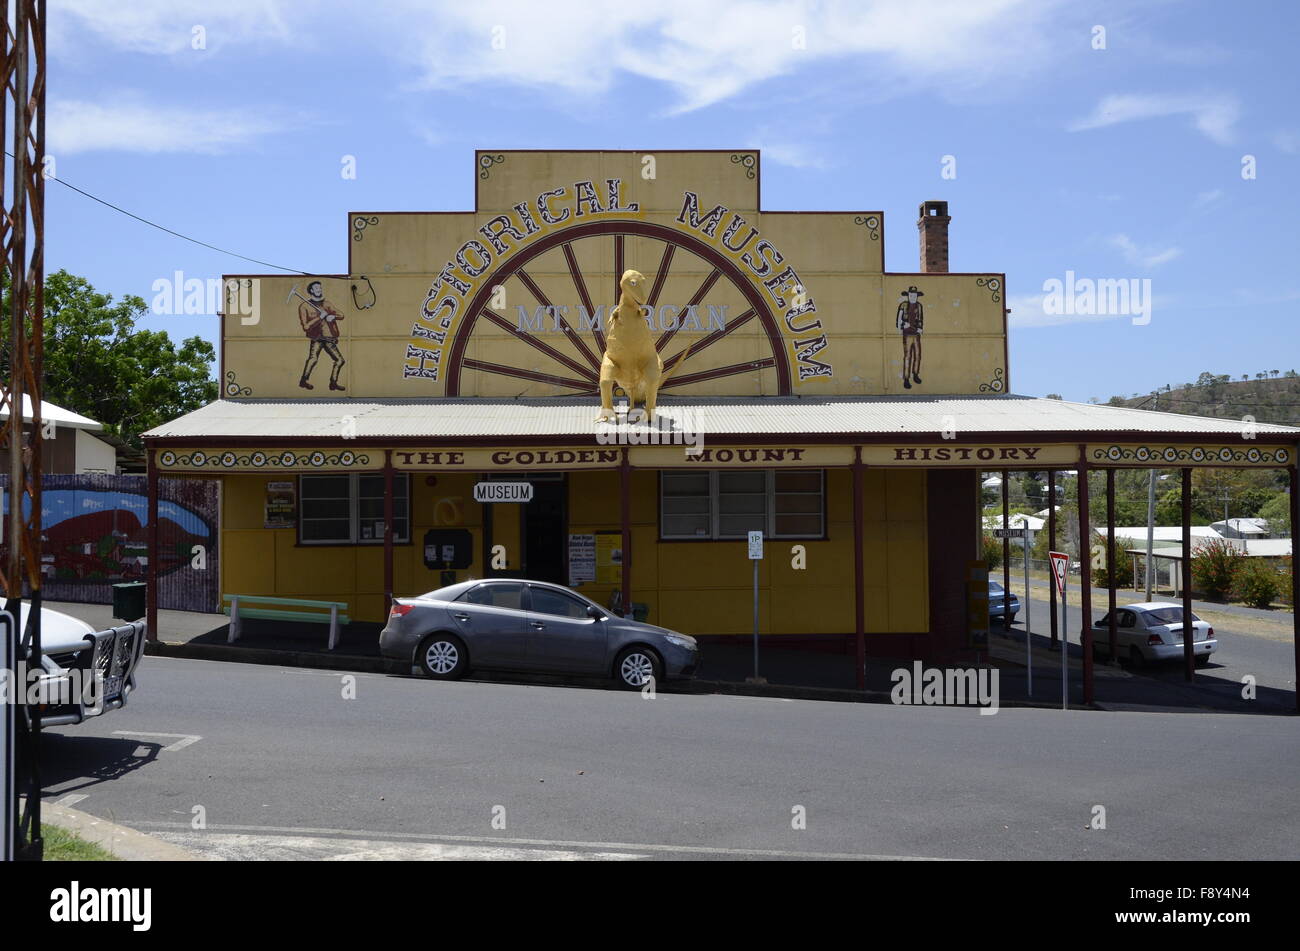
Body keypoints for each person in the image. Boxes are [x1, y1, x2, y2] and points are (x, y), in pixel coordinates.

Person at [298, 280, 347, 391]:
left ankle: (333, 383)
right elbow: (305, 326)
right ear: (311, 290)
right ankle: (303, 381)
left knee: (340, 360)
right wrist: (319, 317)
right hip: (316, 338)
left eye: (320, 288)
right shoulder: (304, 306)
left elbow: (341, 315)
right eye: (316, 288)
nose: (319, 290)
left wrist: (332, 316)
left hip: (329, 338)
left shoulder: (327, 304)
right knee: (313, 359)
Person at [895, 285, 924, 389]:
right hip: (907, 335)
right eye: (911, 295)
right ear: (908, 295)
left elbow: (920, 319)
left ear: (917, 296)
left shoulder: (919, 306)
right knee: (908, 357)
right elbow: (898, 320)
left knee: (917, 355)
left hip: (916, 334)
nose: (913, 297)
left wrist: (920, 328)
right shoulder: (903, 305)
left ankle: (915, 374)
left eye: (914, 295)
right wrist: (903, 325)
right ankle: (906, 378)